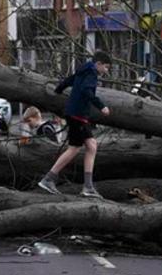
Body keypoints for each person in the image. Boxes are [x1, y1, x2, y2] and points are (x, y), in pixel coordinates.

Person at [37, 51, 112, 198]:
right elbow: (86, 91)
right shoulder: (91, 73)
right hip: (78, 115)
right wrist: (101, 106)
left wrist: (59, 89)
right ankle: (49, 179)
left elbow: (69, 80)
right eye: (106, 67)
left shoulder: (83, 69)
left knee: (91, 146)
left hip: (74, 114)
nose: (106, 71)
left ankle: (88, 186)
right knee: (74, 148)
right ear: (98, 64)